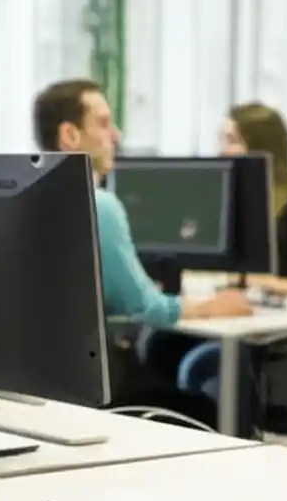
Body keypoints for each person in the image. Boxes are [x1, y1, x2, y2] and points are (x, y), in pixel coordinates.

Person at [31, 79, 252, 324]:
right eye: (103, 123)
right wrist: (210, 306)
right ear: (69, 135)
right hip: (88, 360)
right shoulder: (97, 206)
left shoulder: (28, 202)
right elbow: (144, 307)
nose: (115, 134)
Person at [220, 103, 287, 278]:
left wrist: (267, 284)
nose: (223, 150)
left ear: (260, 146)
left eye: (232, 141)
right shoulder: (229, 201)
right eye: (223, 140)